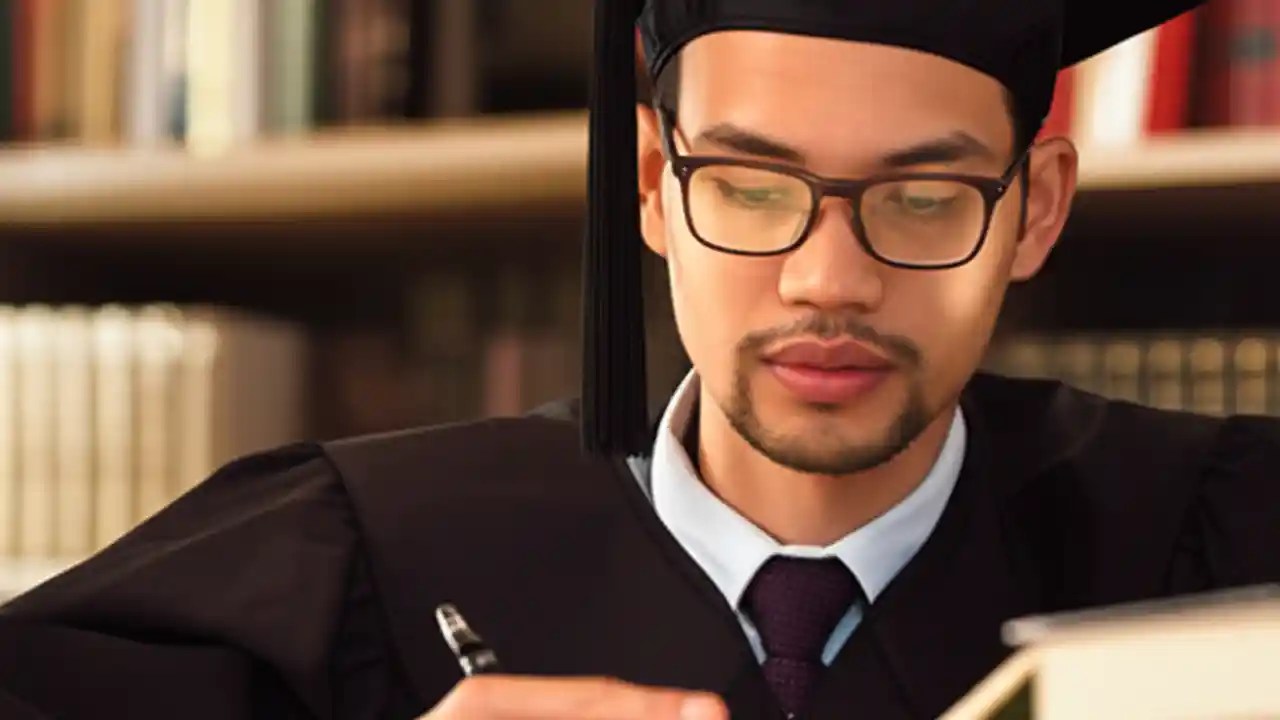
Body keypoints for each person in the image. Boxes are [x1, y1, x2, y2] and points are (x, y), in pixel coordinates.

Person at [1, 0, 1276, 718]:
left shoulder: (1216, 556)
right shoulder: (355, 561)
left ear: (1035, 208)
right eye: (750, 185)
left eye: (925, 197)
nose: (827, 280)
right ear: (655, 188)